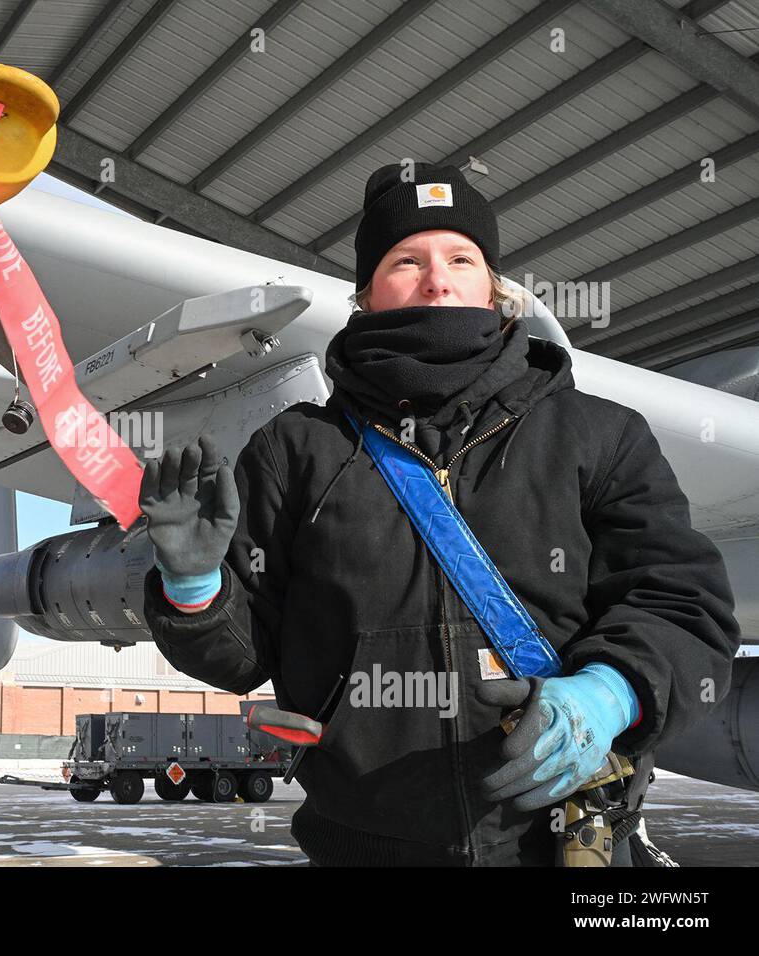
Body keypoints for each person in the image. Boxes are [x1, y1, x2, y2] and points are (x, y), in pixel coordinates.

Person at [139, 162, 741, 866]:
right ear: (364, 295)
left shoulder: (599, 434)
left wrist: (608, 695)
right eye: (405, 260)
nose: (437, 278)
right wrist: (193, 588)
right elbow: (244, 658)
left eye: (462, 257)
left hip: (566, 844)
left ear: (495, 286)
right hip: (361, 845)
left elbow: (686, 606)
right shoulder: (296, 449)